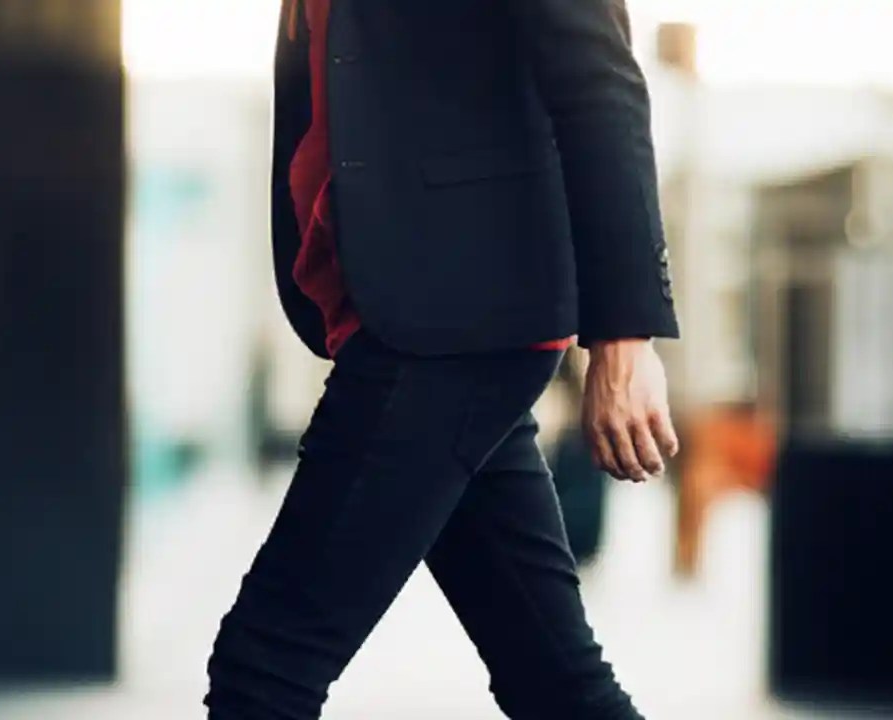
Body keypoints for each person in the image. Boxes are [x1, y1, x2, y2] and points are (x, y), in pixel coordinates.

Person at [206, 0, 679, 717]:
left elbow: (599, 80)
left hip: (451, 317)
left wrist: (623, 334)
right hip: (421, 311)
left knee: (264, 665)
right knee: (554, 683)